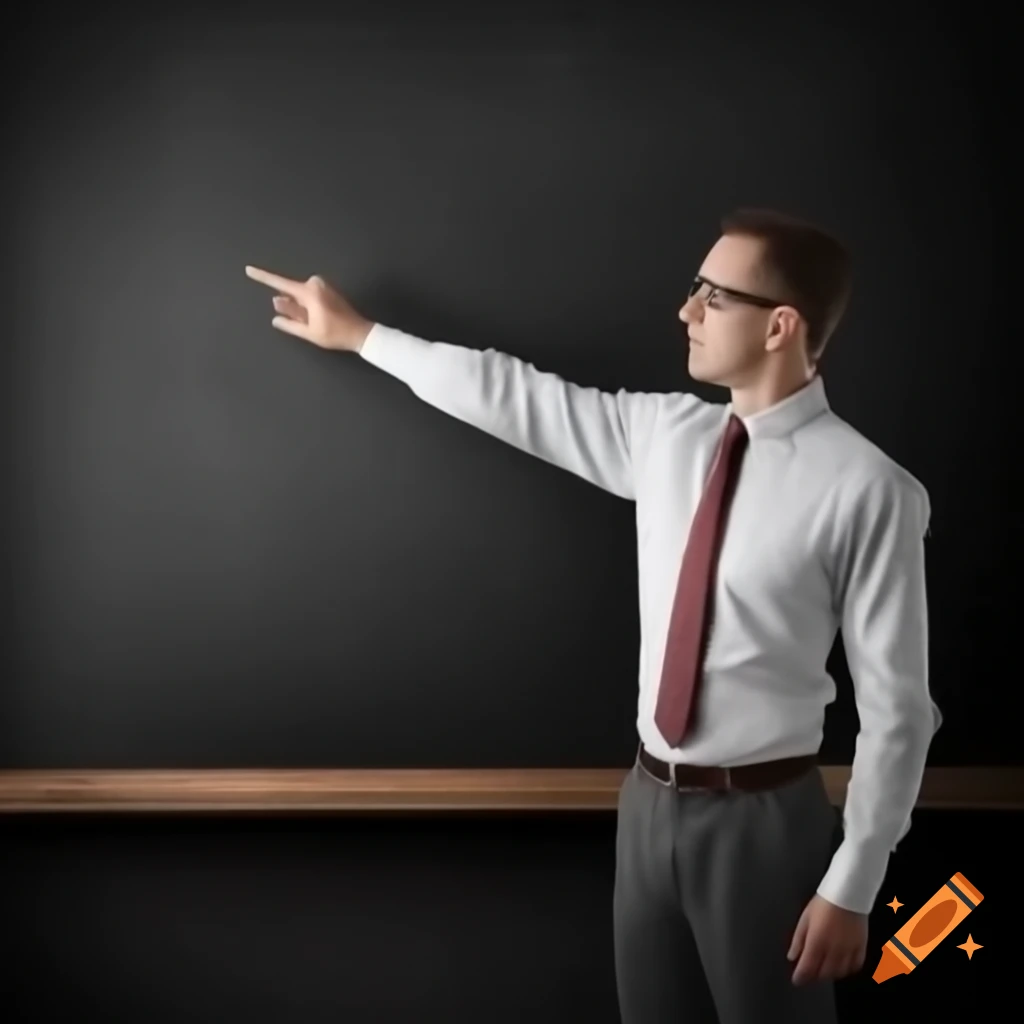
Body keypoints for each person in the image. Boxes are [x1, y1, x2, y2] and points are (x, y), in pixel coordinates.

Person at [245, 206, 941, 1024]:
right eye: (694, 290)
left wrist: (854, 885)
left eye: (713, 297)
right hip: (645, 804)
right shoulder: (667, 435)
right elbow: (513, 396)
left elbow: (899, 713)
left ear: (781, 325)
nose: (686, 311)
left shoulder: (870, 490)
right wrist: (364, 336)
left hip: (765, 825)